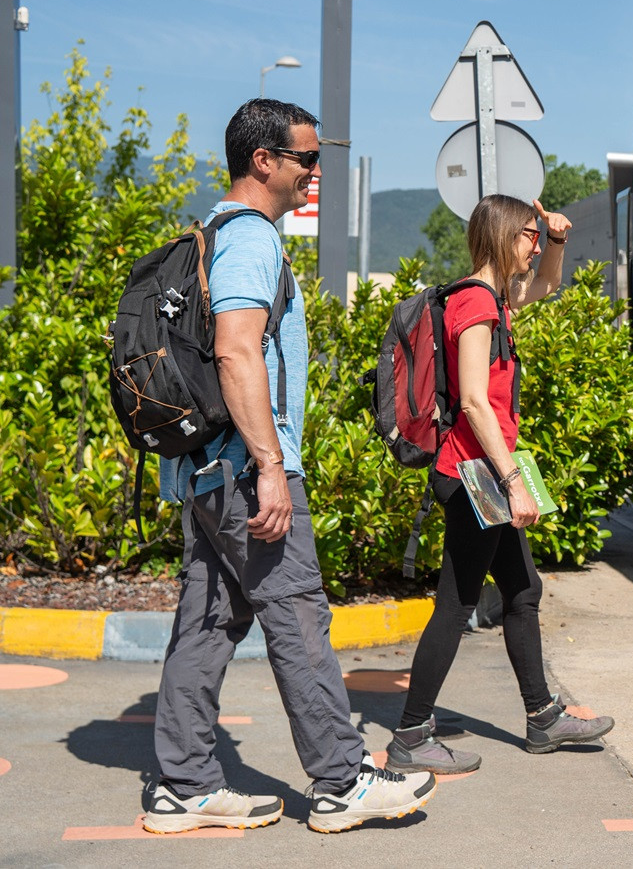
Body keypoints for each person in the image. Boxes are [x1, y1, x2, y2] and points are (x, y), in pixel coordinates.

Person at [147, 99, 436, 834]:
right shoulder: (250, 241)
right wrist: (271, 466)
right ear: (263, 161)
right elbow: (237, 350)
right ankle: (341, 782)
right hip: (246, 471)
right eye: (307, 159)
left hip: (208, 471)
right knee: (298, 614)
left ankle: (181, 785)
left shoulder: (214, 234)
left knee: (207, 624)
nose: (315, 173)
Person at [385, 193, 615, 774]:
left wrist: (558, 240)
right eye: (529, 236)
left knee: (522, 589)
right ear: (502, 236)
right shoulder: (476, 306)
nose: (534, 245)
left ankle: (542, 717)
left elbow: (546, 287)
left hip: (485, 469)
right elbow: (472, 402)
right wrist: (513, 481)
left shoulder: (493, 298)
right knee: (456, 603)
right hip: (475, 473)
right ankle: (411, 735)